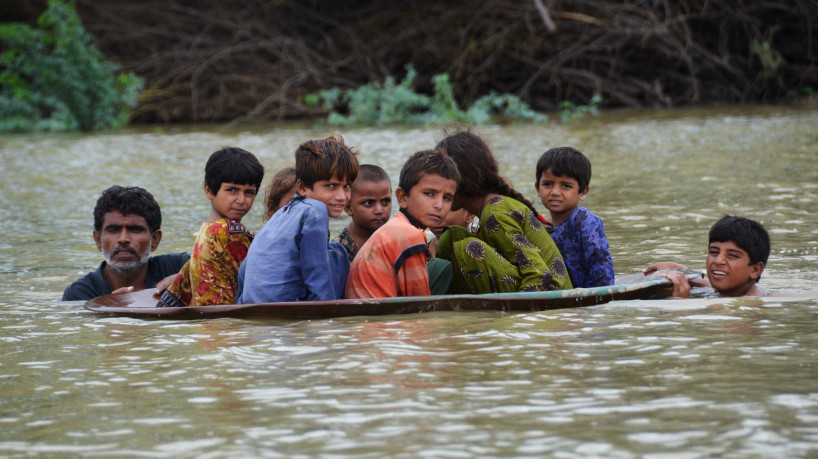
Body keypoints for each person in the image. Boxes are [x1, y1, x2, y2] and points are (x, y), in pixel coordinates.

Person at [434, 130, 573, 294]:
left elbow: (539, 275)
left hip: (550, 295)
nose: (438, 191)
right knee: (450, 239)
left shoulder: (496, 214)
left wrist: (515, 319)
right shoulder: (490, 211)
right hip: (532, 286)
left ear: (463, 180)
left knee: (468, 248)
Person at [238, 136, 359, 303]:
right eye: (331, 186)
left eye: (347, 187)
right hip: (287, 309)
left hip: (252, 306)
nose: (341, 196)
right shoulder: (316, 210)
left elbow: (245, 270)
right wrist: (329, 321)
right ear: (302, 187)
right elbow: (318, 276)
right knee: (338, 252)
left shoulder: (278, 217)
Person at [158, 147, 264, 307]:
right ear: (209, 190)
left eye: (249, 192)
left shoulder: (206, 229)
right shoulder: (223, 231)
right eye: (232, 190)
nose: (241, 200)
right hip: (224, 323)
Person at [345, 149, 459, 298]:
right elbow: (420, 304)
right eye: (429, 194)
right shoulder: (409, 235)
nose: (439, 205)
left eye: (447, 198)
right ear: (402, 197)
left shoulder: (395, 227)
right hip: (377, 318)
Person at [62, 186, 189, 301]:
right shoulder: (79, 295)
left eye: (135, 229)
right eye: (113, 230)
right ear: (98, 240)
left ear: (155, 239)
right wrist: (108, 311)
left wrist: (191, 283)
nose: (123, 239)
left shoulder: (182, 267)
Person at [535, 146, 614, 287]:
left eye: (565, 186)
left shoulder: (584, 220)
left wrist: (594, 302)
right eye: (547, 184)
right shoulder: (540, 228)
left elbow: (601, 267)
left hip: (589, 297)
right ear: (537, 189)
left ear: (583, 192)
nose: (555, 192)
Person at [643, 215, 771, 297]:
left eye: (732, 255)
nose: (718, 261)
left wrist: (679, 304)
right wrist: (677, 269)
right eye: (714, 252)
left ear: (755, 270)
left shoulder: (750, 306)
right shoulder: (729, 290)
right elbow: (706, 284)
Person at [333, 164, 393, 262]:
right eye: (369, 203)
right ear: (348, 207)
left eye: (385, 201)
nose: (379, 210)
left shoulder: (395, 238)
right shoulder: (339, 251)